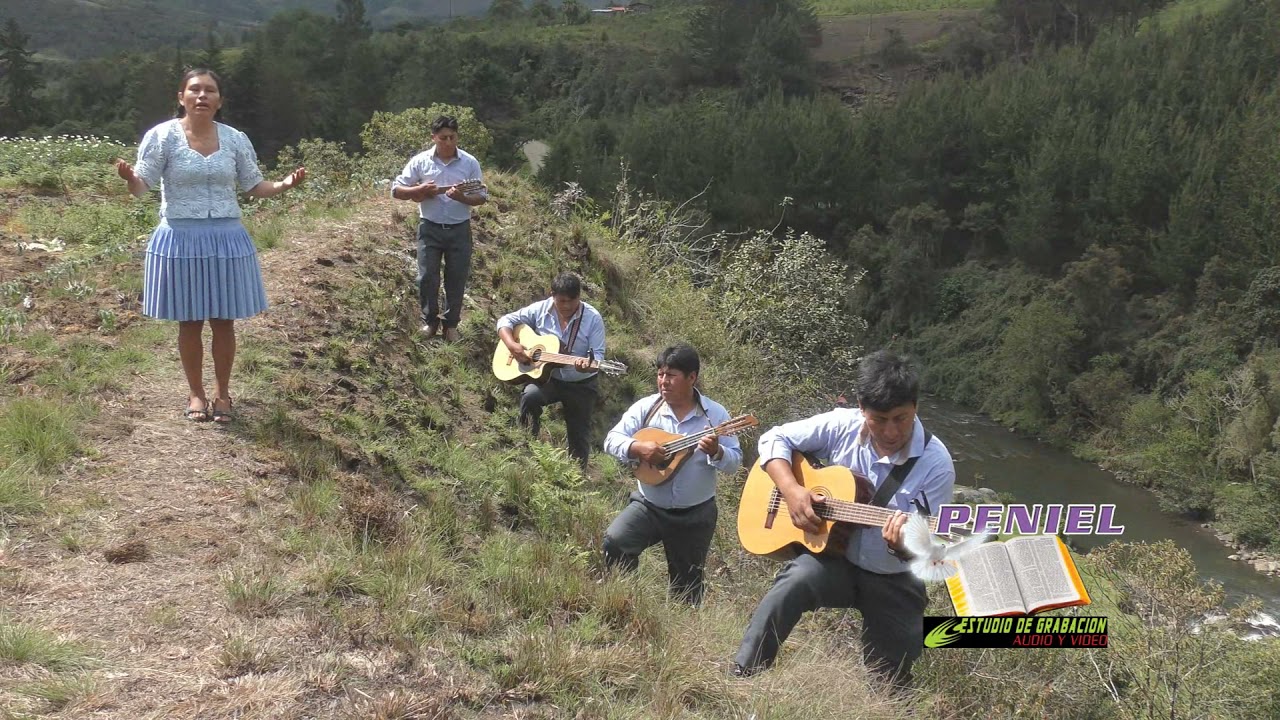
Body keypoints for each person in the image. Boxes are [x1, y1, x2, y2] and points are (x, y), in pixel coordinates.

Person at [732, 350, 955, 690]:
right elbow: (773, 438)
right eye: (879, 419)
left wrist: (903, 546)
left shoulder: (936, 465)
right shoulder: (842, 425)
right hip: (836, 560)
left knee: (892, 674)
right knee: (793, 583)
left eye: (901, 418)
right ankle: (742, 676)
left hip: (893, 578)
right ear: (862, 409)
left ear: (916, 408)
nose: (891, 431)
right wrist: (793, 491)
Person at [114, 68, 305, 423]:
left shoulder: (235, 139)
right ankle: (195, 394)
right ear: (181, 97)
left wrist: (282, 185)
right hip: (180, 236)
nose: (202, 96)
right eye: (195, 90)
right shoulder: (161, 137)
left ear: (220, 100)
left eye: (210, 91)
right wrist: (130, 178)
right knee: (188, 321)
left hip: (227, 237)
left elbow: (253, 185)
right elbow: (143, 187)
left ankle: (223, 394)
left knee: (223, 320)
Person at [601, 344, 742, 605]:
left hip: (695, 513)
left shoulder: (715, 415)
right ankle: (625, 603)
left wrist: (717, 452)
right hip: (649, 506)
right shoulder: (647, 408)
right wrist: (638, 447)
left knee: (686, 589)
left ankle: (679, 636)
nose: (663, 382)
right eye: (660, 374)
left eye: (672, 375)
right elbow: (611, 440)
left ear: (692, 377)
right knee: (616, 543)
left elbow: (734, 463)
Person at [391, 115, 488, 342]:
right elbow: (396, 190)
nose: (447, 142)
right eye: (442, 138)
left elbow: (481, 197)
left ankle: (451, 325)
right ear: (433, 138)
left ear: (457, 137)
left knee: (456, 277)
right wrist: (420, 190)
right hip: (429, 227)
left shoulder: (469, 163)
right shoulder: (420, 161)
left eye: (452, 137)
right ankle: (429, 322)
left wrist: (462, 196)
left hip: (459, 229)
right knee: (427, 277)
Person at [497, 272, 605, 467]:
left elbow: (597, 356)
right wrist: (512, 345)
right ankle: (527, 450)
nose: (566, 307)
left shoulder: (593, 318)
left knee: (579, 432)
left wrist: (585, 367)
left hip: (580, 383)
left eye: (571, 302)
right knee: (530, 397)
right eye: (561, 301)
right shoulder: (540, 309)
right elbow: (505, 321)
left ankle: (575, 478)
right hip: (549, 379)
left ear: (579, 297)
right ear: (552, 295)